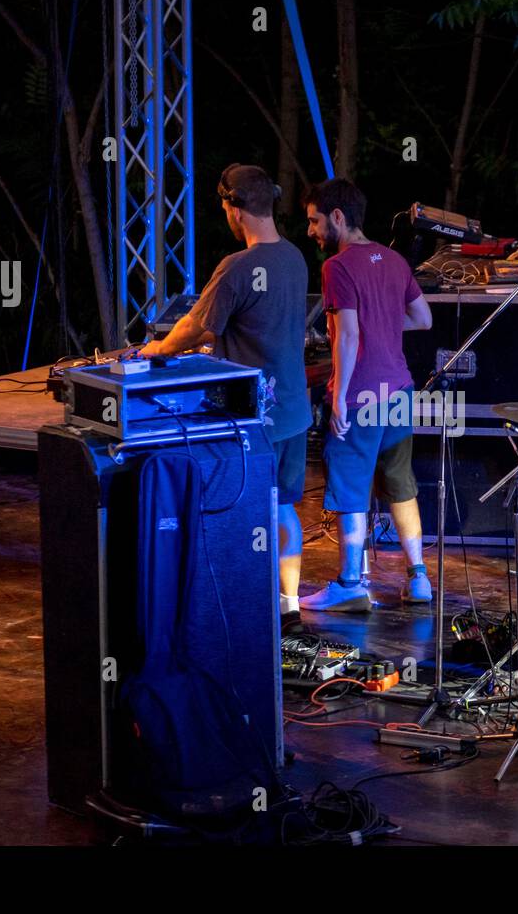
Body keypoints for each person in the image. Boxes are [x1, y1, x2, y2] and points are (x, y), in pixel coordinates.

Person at [140, 163, 310, 628]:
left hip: (254, 417)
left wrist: (156, 348)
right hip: (294, 412)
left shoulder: (238, 267)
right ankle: (288, 603)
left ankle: (237, 601)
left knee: (238, 508)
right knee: (283, 506)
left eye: (224, 208)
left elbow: (195, 326)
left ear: (235, 208)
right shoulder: (295, 257)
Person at [298, 178, 434, 612]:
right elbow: (423, 318)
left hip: (360, 397)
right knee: (401, 486)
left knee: (351, 490)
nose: (312, 231)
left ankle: (350, 584)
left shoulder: (337, 268)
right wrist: (386, 325)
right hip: (398, 391)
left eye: (315, 221)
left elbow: (349, 335)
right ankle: (419, 580)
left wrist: (338, 397)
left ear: (338, 217)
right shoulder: (394, 260)